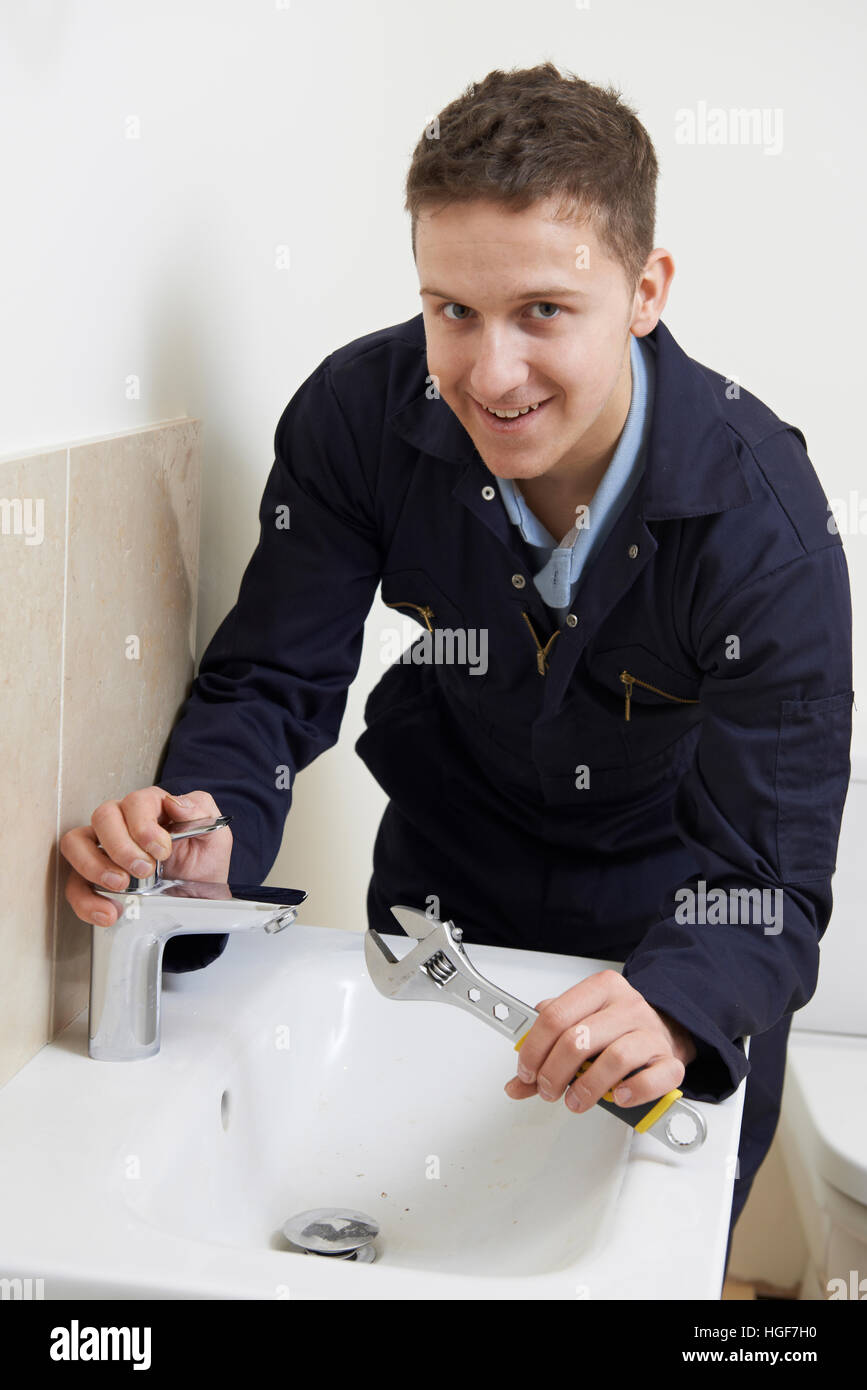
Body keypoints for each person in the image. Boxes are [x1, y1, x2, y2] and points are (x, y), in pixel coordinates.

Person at [60, 63, 853, 1287]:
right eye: (451, 311)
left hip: (671, 918)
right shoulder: (356, 417)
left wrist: (683, 1002)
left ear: (646, 291)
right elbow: (266, 682)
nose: (488, 373)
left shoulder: (763, 528)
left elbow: (771, 880)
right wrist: (204, 832)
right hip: (446, 883)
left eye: (543, 310)